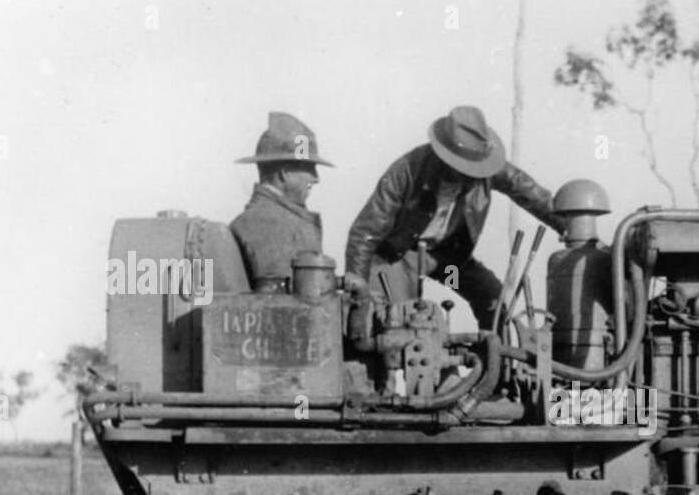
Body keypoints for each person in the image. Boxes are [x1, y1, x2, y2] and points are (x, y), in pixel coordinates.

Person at [343, 105, 565, 331]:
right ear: (444, 158)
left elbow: (528, 191)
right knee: (395, 319)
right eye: (463, 169)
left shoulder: (487, 167)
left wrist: (568, 225)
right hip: (401, 258)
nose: (470, 176)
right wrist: (358, 292)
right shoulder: (407, 170)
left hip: (448, 264)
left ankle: (492, 361)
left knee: (491, 300)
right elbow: (365, 233)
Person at [230, 112, 333, 288]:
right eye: (309, 168)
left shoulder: (267, 219)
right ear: (284, 173)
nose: (316, 178)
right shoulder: (269, 224)